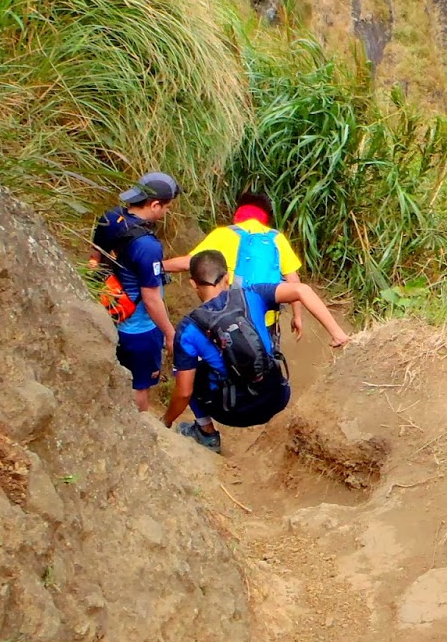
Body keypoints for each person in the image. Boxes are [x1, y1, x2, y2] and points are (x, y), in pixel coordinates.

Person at [164, 249, 350, 451]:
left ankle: (206, 434)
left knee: (188, 369)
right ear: (227, 277)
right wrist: (337, 333)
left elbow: (184, 393)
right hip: (278, 396)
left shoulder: (188, 329)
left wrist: (165, 422)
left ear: (192, 283)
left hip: (234, 413)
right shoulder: (252, 294)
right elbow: (301, 290)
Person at [90, 172, 180, 412]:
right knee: (138, 386)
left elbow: (94, 260)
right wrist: (170, 335)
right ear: (154, 205)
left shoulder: (109, 218)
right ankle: (136, 431)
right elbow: (151, 299)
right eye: (167, 207)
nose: (166, 212)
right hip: (139, 329)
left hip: (108, 314)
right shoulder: (148, 246)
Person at [164, 192, 306, 340]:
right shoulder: (277, 238)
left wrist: (158, 265)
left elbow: (189, 263)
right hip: (266, 320)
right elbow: (294, 281)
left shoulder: (224, 234)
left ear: (239, 211)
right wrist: (297, 316)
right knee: (264, 358)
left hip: (231, 318)